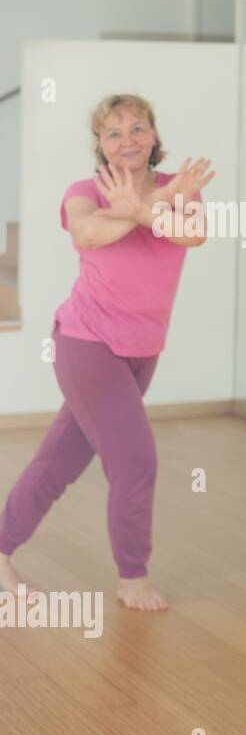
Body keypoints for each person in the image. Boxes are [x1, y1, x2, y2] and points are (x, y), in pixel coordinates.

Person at [0, 93, 212, 611]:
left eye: (137, 129)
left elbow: (194, 235)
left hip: (143, 350)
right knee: (136, 459)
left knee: (61, 459)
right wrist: (151, 209)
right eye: (113, 133)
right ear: (99, 144)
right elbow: (88, 233)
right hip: (85, 343)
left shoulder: (178, 188)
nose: (127, 141)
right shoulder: (84, 192)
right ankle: (132, 576)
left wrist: (146, 206)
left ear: (154, 136)